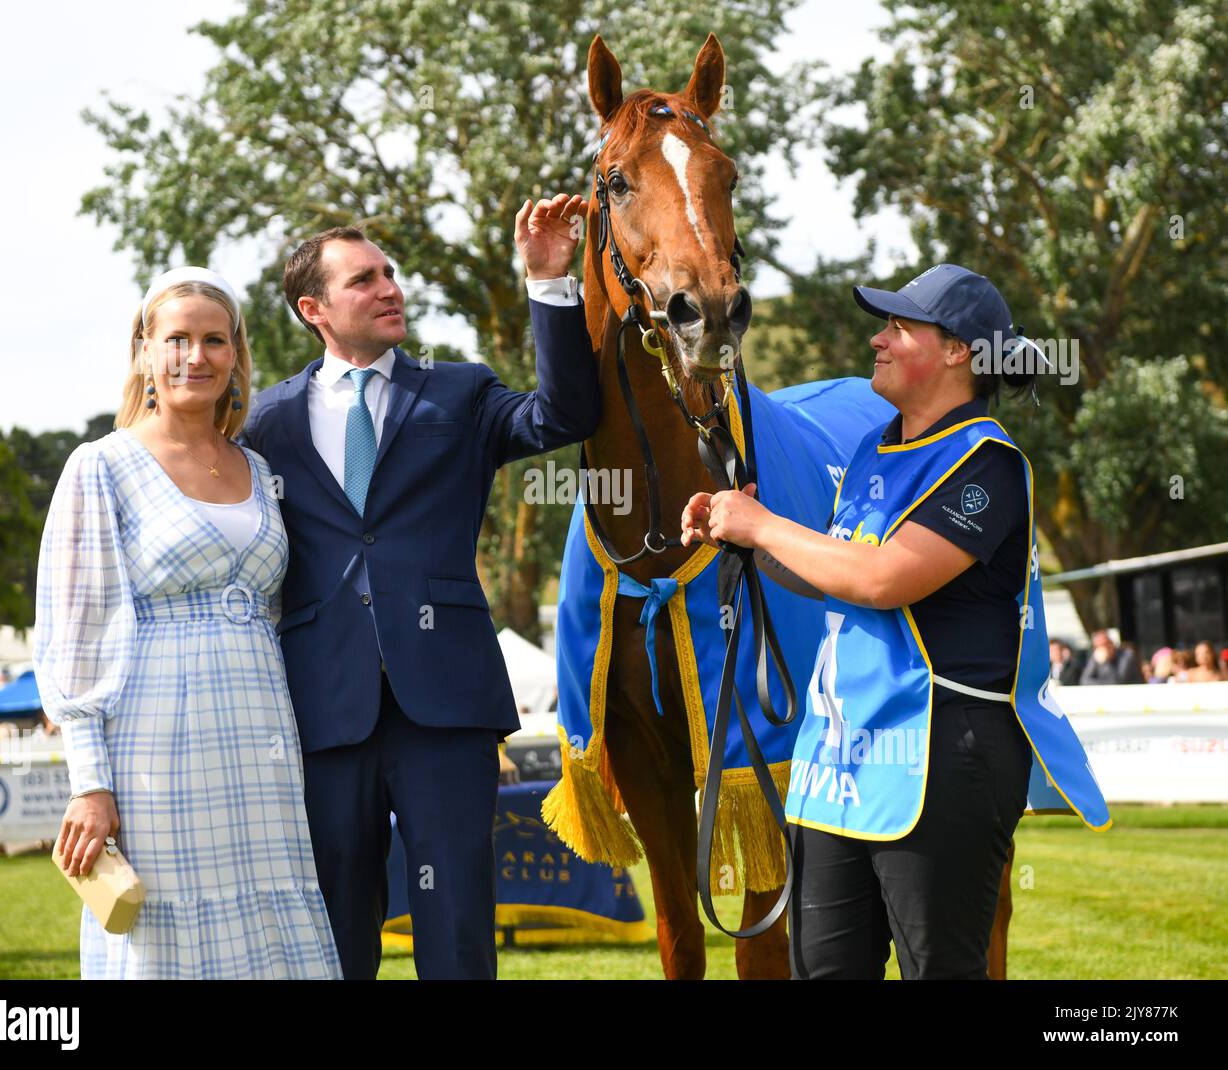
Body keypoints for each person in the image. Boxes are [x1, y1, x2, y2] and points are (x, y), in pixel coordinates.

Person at [682, 263, 1108, 979]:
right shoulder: (871, 447)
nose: (877, 339)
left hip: (940, 756)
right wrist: (748, 543)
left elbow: (883, 579)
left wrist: (762, 523)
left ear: (957, 351)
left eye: (899, 327)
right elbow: (837, 576)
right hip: (837, 764)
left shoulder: (986, 462)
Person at [236, 196, 600, 979]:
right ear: (315, 309)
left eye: (391, 274)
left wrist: (547, 282)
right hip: (324, 710)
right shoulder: (264, 424)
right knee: (335, 928)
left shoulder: (459, 394)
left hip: (447, 704)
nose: (390, 287)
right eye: (364, 279)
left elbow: (566, 415)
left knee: (457, 920)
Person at [33, 267, 341, 979]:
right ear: (143, 349)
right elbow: (74, 634)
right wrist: (90, 783)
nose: (193, 357)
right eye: (175, 340)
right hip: (155, 743)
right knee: (165, 931)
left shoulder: (262, 472)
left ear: (235, 354)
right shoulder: (100, 466)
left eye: (212, 340)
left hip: (262, 733)